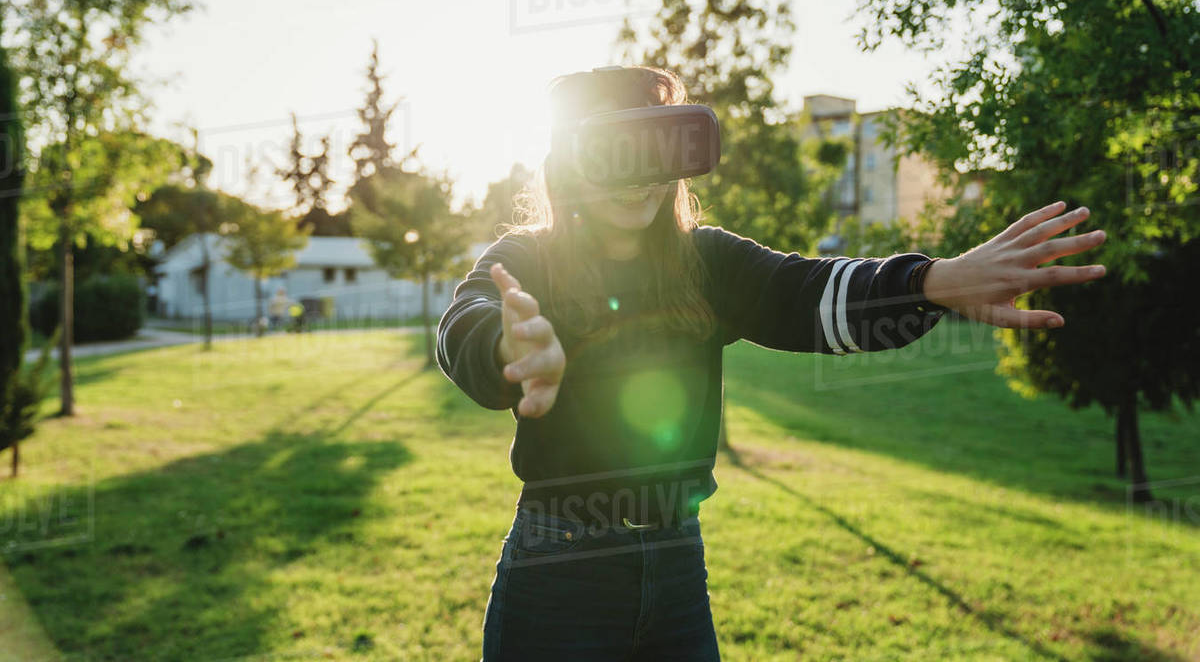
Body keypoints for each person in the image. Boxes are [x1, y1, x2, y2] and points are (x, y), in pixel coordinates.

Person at [435, 66, 1106, 661]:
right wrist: (508, 350)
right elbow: (463, 325)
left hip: (675, 566)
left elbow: (806, 293)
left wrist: (933, 281)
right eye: (617, 150)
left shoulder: (705, 262)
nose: (642, 175)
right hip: (559, 573)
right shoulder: (528, 261)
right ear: (570, 164)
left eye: (662, 149)